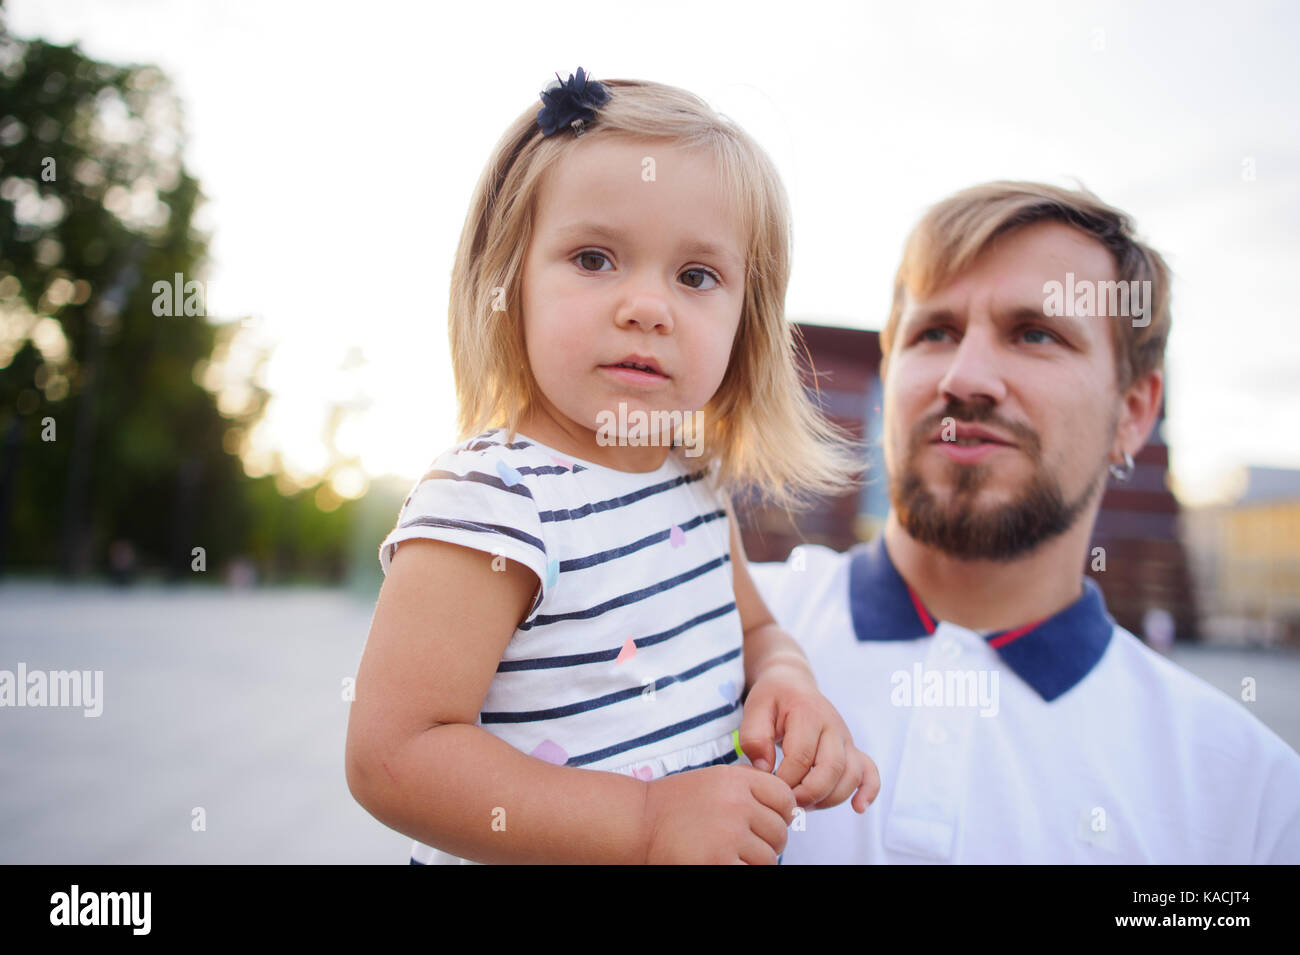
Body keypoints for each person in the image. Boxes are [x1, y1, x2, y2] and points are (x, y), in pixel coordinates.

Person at [344, 69, 879, 865]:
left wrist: (788, 684)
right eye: (594, 258)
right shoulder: (494, 499)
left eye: (697, 276)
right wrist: (646, 821)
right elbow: (395, 757)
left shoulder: (692, 483)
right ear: (507, 282)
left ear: (748, 320)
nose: (647, 305)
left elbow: (758, 626)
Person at [750, 181, 1300, 863]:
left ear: (1132, 410)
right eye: (935, 332)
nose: (966, 376)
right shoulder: (696, 628)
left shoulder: (1254, 804)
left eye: (1035, 333)